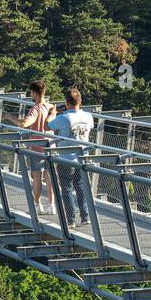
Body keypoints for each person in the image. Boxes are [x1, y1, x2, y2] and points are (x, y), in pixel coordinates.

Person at [6, 81, 56, 215]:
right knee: (50, 176)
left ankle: (37, 204)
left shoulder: (35, 109)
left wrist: (10, 117)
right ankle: (52, 205)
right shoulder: (51, 107)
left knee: (37, 175)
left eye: (31, 93)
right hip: (50, 145)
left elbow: (24, 123)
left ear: (34, 93)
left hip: (37, 146)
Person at [48, 86, 95, 228]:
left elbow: (49, 125)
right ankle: (85, 216)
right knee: (80, 187)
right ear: (80, 101)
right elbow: (90, 127)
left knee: (67, 188)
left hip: (65, 159)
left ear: (67, 102)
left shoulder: (63, 117)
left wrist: (52, 113)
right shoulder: (88, 116)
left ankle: (71, 220)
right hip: (82, 158)